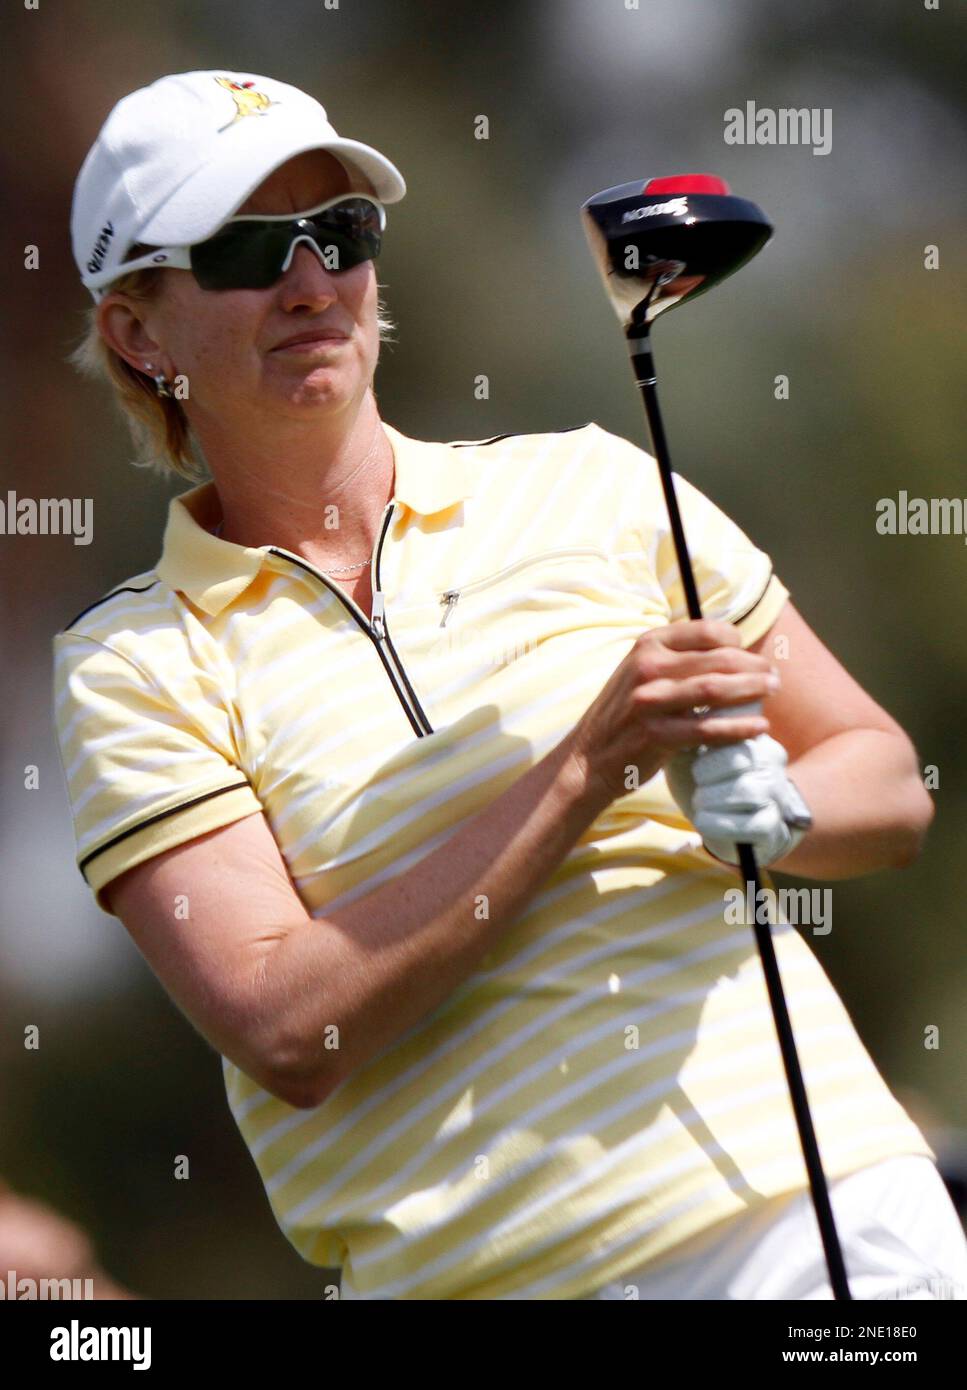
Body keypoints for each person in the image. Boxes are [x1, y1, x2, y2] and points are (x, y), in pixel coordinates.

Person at [52, 69, 966, 1301]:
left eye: (342, 234)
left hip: (812, 1217)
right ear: (138, 332)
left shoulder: (588, 485)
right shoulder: (134, 664)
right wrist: (586, 769)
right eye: (247, 251)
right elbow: (286, 1028)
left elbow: (888, 783)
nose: (313, 281)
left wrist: (779, 810)